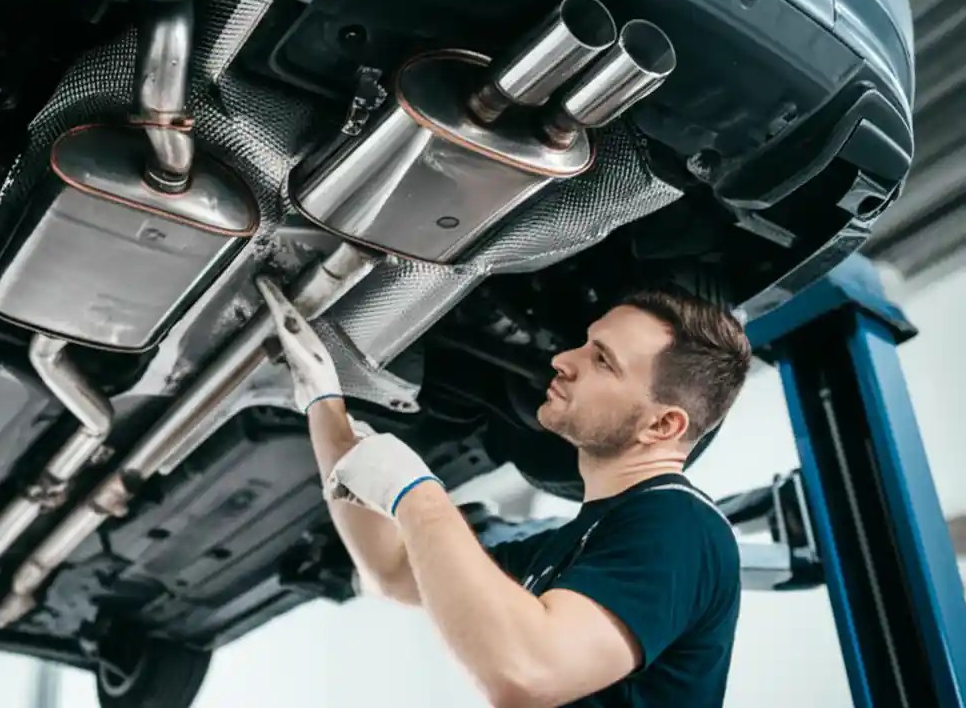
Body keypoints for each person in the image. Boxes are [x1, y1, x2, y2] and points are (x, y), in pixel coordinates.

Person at [256, 280, 754, 708]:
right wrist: (322, 405)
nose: (562, 359)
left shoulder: (682, 526)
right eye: (586, 344)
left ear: (662, 424)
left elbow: (528, 671)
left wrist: (419, 495)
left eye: (602, 361)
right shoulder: (569, 547)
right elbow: (395, 571)